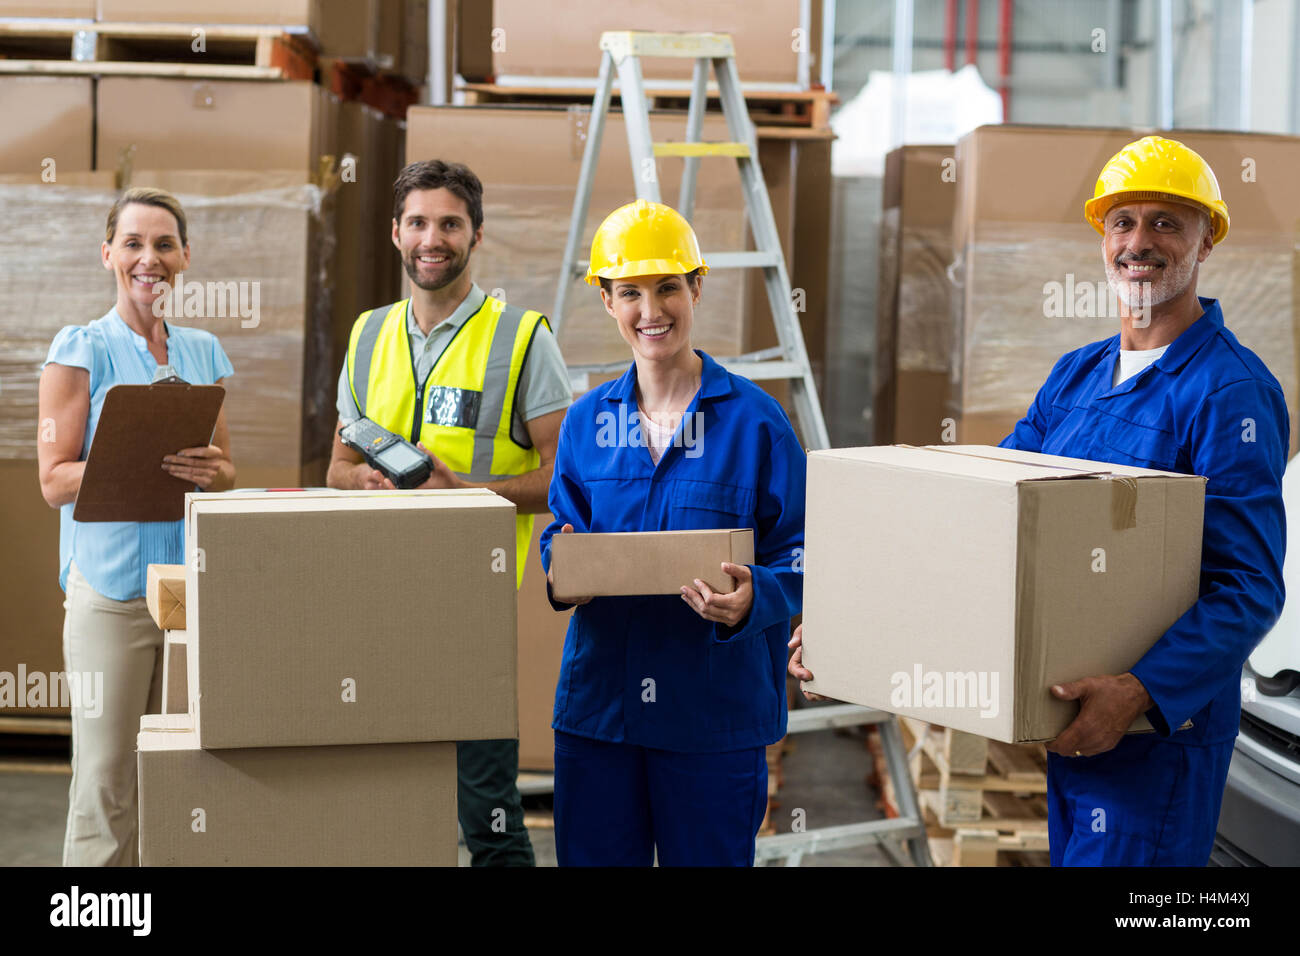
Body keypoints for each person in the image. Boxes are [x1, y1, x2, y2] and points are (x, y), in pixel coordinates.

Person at [791, 135, 1287, 866]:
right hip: (1067, 715)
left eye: (1166, 223)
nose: (1139, 242)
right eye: (1123, 222)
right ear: (1102, 238)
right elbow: (989, 519)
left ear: (1206, 239)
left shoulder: (1230, 392)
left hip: (1152, 740)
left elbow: (1247, 587)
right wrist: (854, 622)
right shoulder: (1076, 377)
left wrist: (1140, 692)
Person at [540, 200, 806, 867]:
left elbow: (806, 550)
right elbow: (561, 530)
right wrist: (562, 571)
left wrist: (757, 597)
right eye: (630, 292)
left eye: (667, 288)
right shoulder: (586, 423)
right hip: (602, 712)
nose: (650, 310)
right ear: (606, 301)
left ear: (696, 289)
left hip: (712, 717)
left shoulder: (755, 422)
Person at [327, 159, 572, 867]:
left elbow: (563, 479)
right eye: (419, 222)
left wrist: (465, 491)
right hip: (372, 603)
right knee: (386, 811)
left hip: (471, 608)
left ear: (476, 234)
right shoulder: (368, 335)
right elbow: (336, 468)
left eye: (450, 224)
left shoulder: (524, 338)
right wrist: (364, 484)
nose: (432, 238)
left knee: (488, 816)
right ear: (396, 232)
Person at [37, 186, 237, 866]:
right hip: (112, 597)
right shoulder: (80, 349)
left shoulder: (205, 352)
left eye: (163, 245)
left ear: (185, 257)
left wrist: (214, 471)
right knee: (104, 782)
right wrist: (127, 462)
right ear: (108, 255)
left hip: (186, 597)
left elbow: (227, 469)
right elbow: (53, 477)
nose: (148, 259)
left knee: (174, 782)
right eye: (132, 243)